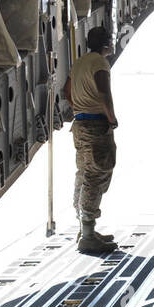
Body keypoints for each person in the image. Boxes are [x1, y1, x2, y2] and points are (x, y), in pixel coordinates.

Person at [64, 26, 118, 254]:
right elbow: (104, 92)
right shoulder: (99, 63)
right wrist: (111, 118)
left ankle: (84, 229)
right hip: (96, 125)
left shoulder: (80, 62)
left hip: (80, 125)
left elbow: (66, 90)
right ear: (106, 43)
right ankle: (87, 235)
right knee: (97, 175)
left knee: (84, 173)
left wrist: (79, 106)